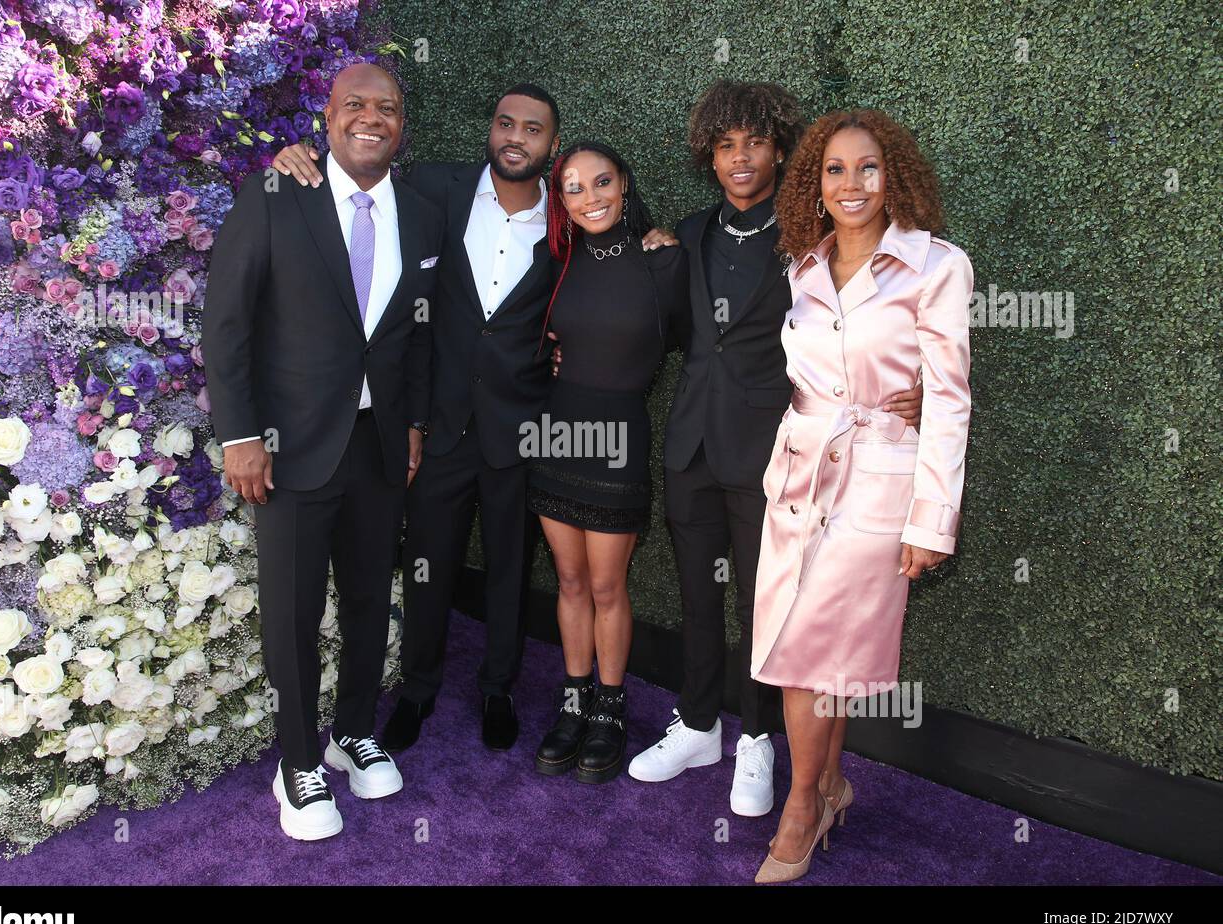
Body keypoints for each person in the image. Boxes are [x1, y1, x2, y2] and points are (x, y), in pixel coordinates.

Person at [269, 89, 675, 755]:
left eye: (534, 129)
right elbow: (358, 170)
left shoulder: (568, 221)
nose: (516, 137)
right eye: (506, 123)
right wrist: (298, 157)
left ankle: (498, 687)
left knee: (513, 570)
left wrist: (658, 238)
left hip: (528, 429)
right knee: (429, 563)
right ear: (491, 129)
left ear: (552, 144)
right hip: (441, 424)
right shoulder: (435, 187)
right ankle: (419, 689)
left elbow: (618, 283)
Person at [626, 81, 924, 818]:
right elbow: (661, 331)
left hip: (779, 457)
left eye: (754, 142)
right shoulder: (686, 233)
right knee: (700, 597)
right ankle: (698, 723)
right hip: (691, 444)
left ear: (782, 149)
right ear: (709, 156)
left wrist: (906, 388)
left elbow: (868, 325)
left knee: (770, 611)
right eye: (725, 146)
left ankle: (756, 739)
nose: (740, 158)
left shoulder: (812, 246)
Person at [202, 63, 444, 841]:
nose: (373, 118)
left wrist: (409, 426)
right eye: (356, 105)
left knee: (372, 600)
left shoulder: (421, 211)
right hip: (289, 450)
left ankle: (350, 731)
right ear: (328, 117)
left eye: (389, 108)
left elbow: (415, 334)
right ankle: (299, 759)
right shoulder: (277, 196)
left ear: (403, 124)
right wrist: (240, 436)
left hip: (377, 450)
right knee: (297, 613)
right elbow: (228, 325)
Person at [750, 109, 973, 881]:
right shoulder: (801, 267)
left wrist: (932, 521)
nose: (851, 183)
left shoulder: (939, 267)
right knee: (821, 654)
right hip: (798, 479)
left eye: (868, 167)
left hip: (878, 486)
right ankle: (831, 785)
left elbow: (948, 399)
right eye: (835, 169)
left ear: (894, 176)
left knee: (807, 656)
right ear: (815, 183)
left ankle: (801, 808)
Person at [529, 142, 688, 784]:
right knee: (568, 582)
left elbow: (701, 343)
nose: (590, 197)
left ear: (623, 183)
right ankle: (574, 699)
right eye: (573, 187)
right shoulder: (557, 259)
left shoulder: (662, 259)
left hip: (619, 433)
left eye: (601, 182)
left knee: (604, 585)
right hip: (556, 431)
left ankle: (611, 706)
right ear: (560, 199)